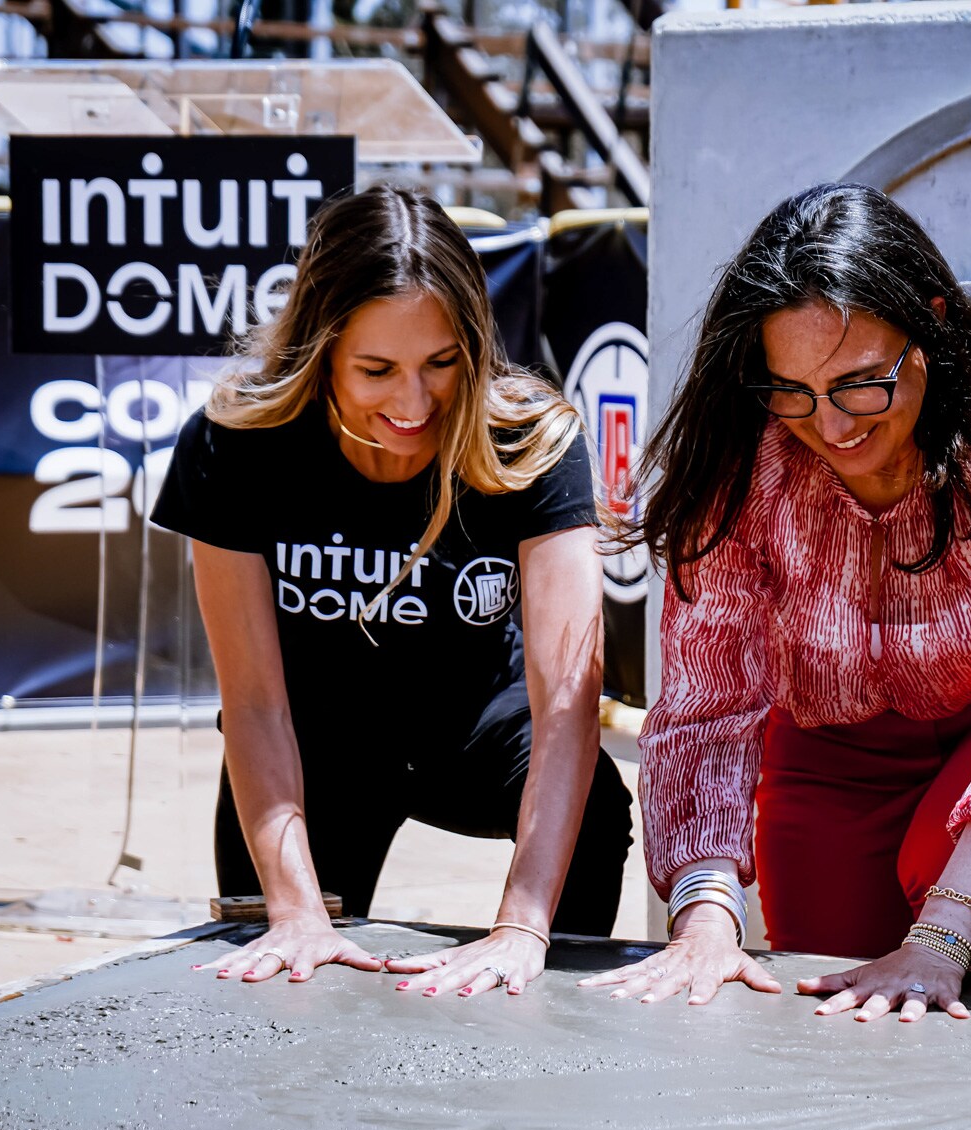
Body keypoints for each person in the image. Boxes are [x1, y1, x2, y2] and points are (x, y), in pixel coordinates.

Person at [582, 183, 971, 1022]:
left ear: (929, 322)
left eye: (861, 384)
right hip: (826, 750)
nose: (829, 425)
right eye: (792, 388)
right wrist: (705, 916)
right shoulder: (741, 451)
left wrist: (939, 942)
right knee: (823, 1010)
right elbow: (704, 704)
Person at [151, 185, 633, 999]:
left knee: (597, 817)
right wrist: (297, 911)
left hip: (476, 727)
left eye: (442, 364)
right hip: (313, 749)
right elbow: (256, 704)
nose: (413, 404)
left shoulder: (529, 438)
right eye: (376, 369)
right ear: (321, 349)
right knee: (283, 994)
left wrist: (520, 927)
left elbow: (565, 705)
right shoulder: (235, 445)